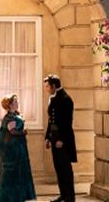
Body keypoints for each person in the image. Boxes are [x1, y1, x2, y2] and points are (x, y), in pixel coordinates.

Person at [0, 94, 36, 202]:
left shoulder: (15, 115)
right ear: (9, 105)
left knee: (18, 171)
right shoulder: (9, 117)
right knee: (10, 172)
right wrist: (23, 132)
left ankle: (18, 196)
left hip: (18, 147)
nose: (17, 103)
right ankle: (8, 197)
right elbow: (12, 131)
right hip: (11, 149)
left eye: (17, 101)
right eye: (15, 102)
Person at [44, 74, 76, 202]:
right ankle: (63, 195)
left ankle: (70, 196)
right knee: (58, 168)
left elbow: (67, 122)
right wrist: (48, 137)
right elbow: (51, 121)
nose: (46, 88)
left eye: (47, 86)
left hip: (63, 138)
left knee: (65, 168)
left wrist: (61, 139)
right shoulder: (54, 98)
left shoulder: (65, 99)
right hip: (54, 137)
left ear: (53, 86)